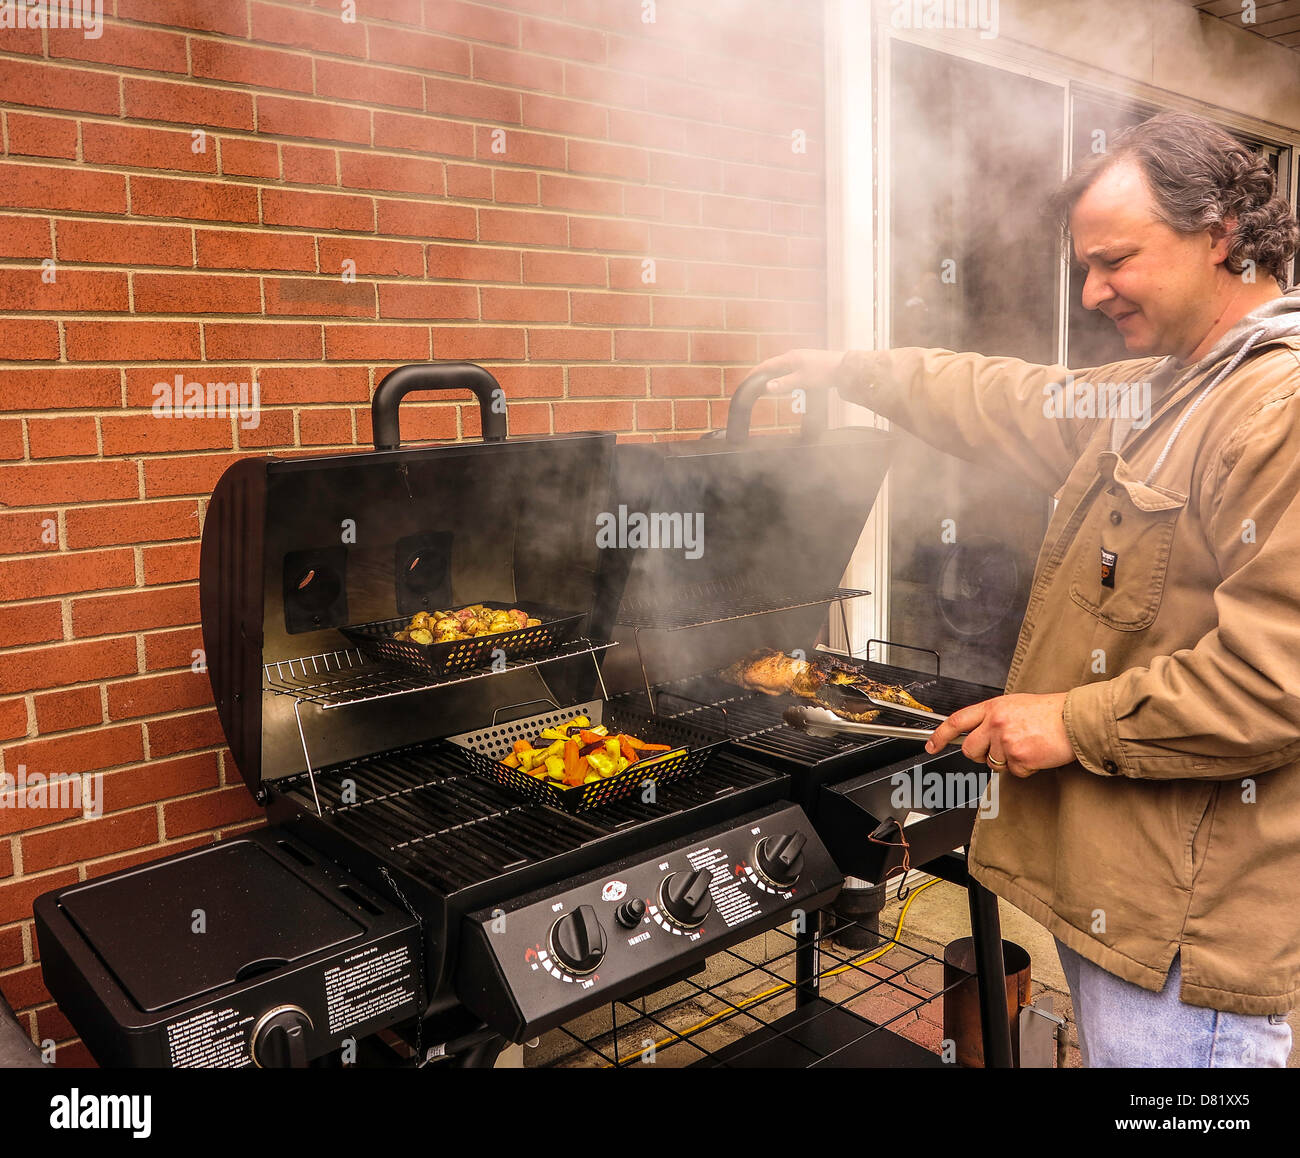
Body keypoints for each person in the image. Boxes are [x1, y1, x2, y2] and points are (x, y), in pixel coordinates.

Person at [752, 111, 1300, 1068]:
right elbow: (1004, 397)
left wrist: (1069, 723)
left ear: (1220, 235)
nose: (1092, 292)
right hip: (1131, 904)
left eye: (1116, 259)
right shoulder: (1167, 390)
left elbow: (1276, 682)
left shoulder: (1274, 411)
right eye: (1083, 265)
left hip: (1190, 937)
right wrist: (852, 372)